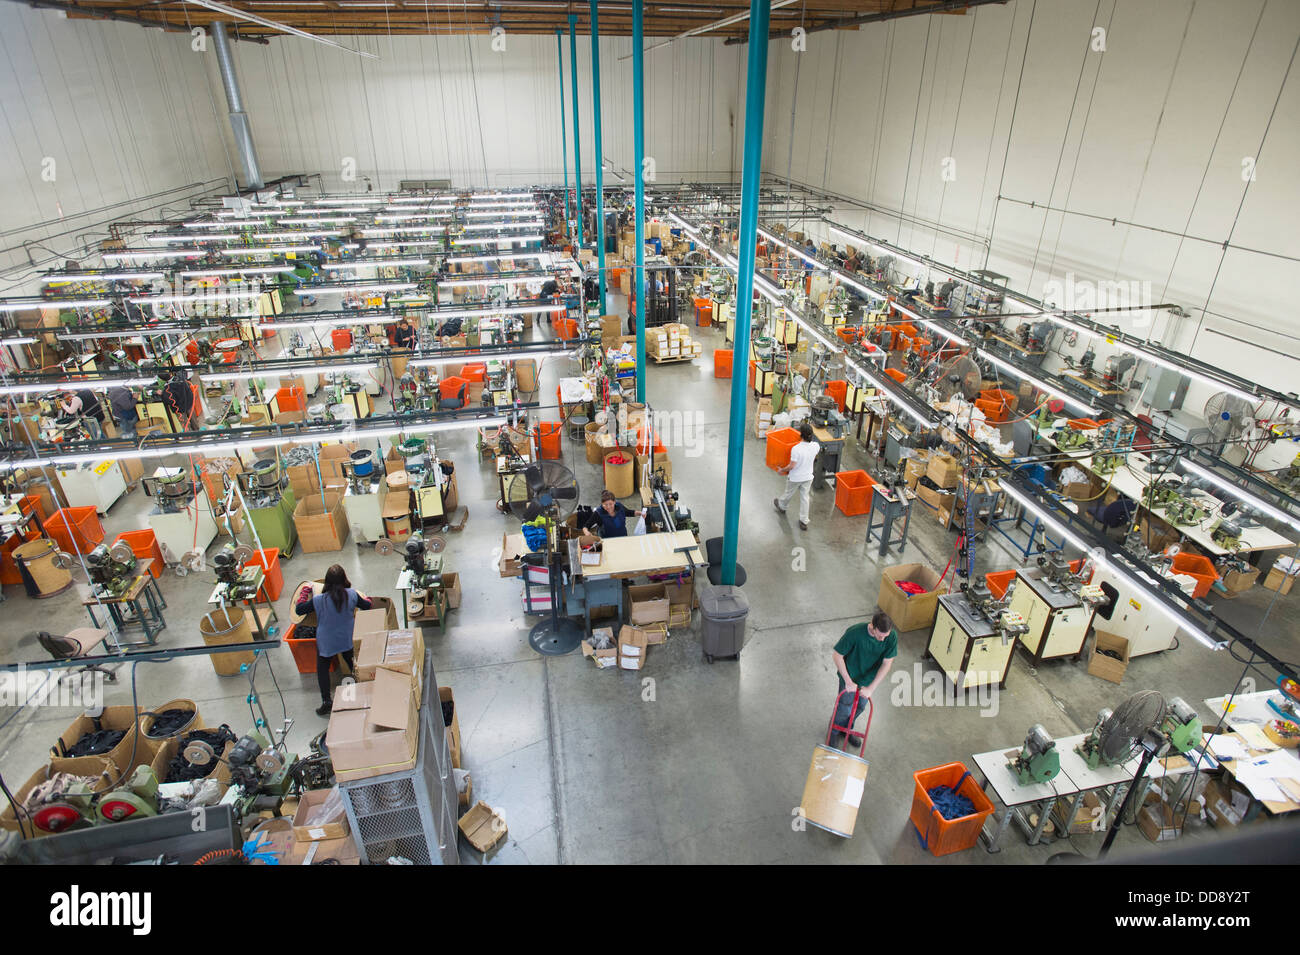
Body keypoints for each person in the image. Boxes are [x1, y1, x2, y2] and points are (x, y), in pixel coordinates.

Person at [294, 565, 373, 716]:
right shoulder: (352, 594)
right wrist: (366, 597)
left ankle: (326, 701)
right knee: (351, 664)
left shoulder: (318, 600)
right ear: (344, 579)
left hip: (326, 641)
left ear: (327, 582)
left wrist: (305, 591)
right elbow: (368, 605)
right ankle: (360, 690)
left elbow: (299, 609)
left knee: (322, 669)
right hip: (346, 638)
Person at [829, 611, 898, 748]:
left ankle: (847, 730)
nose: (883, 639)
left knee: (860, 707)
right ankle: (834, 731)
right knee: (845, 708)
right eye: (880, 636)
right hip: (850, 676)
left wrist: (871, 688)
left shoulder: (891, 637)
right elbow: (837, 655)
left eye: (886, 636)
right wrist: (848, 681)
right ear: (872, 627)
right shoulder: (855, 633)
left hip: (868, 680)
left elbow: (887, 664)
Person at [774, 423, 820, 530]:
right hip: (808, 477)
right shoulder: (815, 446)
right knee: (805, 498)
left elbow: (792, 466)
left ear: (800, 435)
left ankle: (782, 506)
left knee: (788, 493)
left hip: (795, 477)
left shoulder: (796, 449)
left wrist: (782, 470)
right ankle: (804, 521)